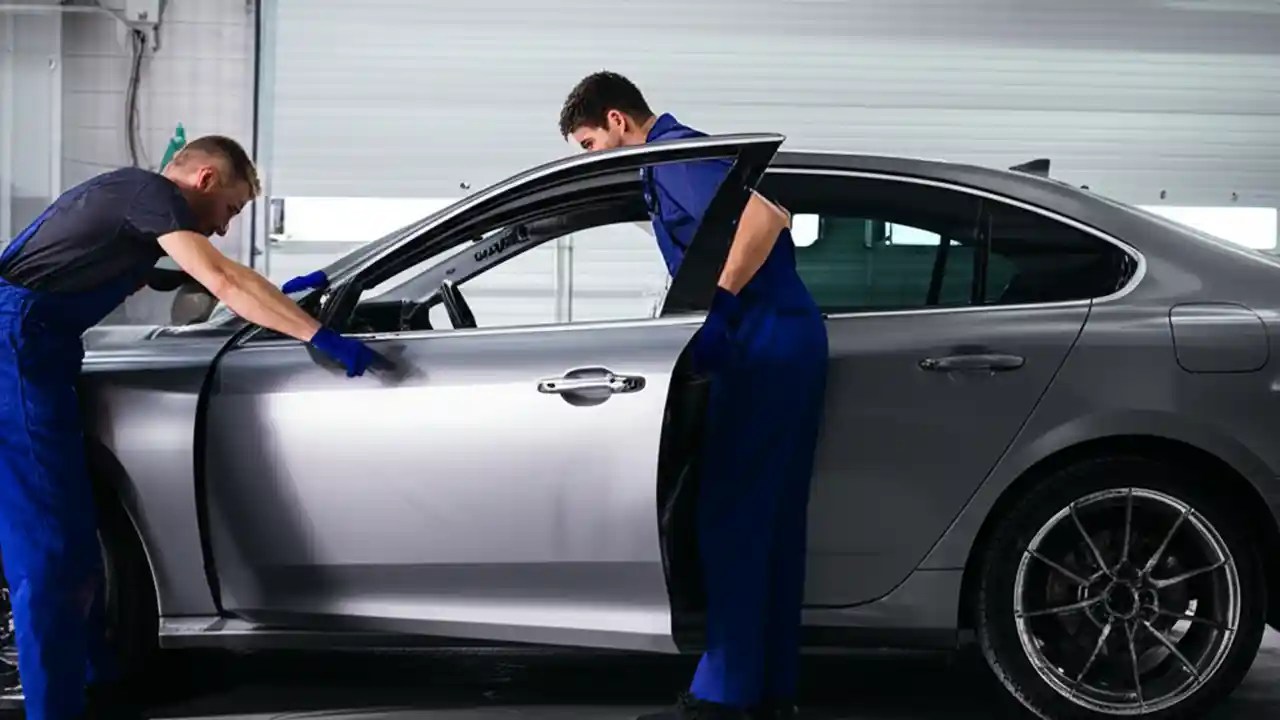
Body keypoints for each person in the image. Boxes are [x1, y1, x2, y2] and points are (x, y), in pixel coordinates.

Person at [0, 135, 379, 720]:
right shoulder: (150, 194)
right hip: (15, 356)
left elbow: (186, 275)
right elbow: (224, 278)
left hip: (33, 352)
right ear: (204, 180)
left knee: (73, 534)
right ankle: (55, 709)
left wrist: (276, 298)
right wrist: (317, 335)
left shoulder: (129, 200)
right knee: (51, 549)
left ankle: (98, 682)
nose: (223, 227)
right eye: (230, 208)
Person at [558, 72, 829, 720]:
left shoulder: (674, 155)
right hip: (786, 338)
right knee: (771, 523)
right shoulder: (680, 158)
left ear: (618, 120)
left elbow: (766, 218)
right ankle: (768, 688)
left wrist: (720, 302)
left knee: (730, 518)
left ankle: (724, 695)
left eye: (590, 144)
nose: (593, 158)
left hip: (759, 343)